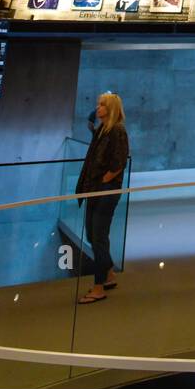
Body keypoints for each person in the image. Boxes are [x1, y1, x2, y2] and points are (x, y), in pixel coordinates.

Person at [76, 92, 129, 304]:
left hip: (105, 191)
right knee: (92, 234)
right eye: (98, 104)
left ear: (111, 108)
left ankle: (98, 288)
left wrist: (106, 180)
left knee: (98, 237)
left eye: (101, 105)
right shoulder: (101, 129)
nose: (97, 108)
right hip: (95, 189)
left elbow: (119, 161)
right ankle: (108, 273)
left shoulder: (117, 131)